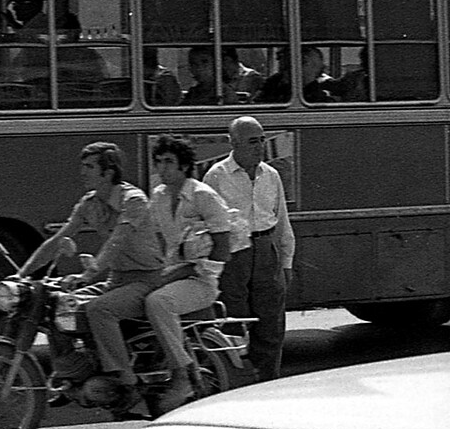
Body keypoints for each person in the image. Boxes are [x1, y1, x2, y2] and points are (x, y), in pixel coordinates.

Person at [15, 141, 164, 402]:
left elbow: (118, 241)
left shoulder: (134, 201)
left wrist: (88, 273)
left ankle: (126, 381)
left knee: (99, 309)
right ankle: (71, 370)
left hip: (146, 280)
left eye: (89, 167)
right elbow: (56, 240)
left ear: (108, 173)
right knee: (59, 302)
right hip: (115, 279)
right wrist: (22, 275)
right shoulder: (89, 203)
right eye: (83, 166)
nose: (82, 172)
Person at [137, 135, 233, 410]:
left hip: (200, 281)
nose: (162, 168)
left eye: (169, 162)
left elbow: (222, 248)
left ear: (184, 165)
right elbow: (155, 239)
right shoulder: (158, 196)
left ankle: (182, 374)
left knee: (158, 302)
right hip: (170, 274)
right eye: (158, 162)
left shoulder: (203, 195)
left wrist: (188, 269)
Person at [202, 116, 295, 381]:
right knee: (234, 320)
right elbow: (206, 223)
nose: (260, 146)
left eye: (262, 139)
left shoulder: (271, 175)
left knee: (271, 323)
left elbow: (282, 221)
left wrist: (286, 262)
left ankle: (267, 383)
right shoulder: (216, 176)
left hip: (266, 250)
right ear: (234, 143)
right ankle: (237, 383)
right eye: (253, 141)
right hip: (234, 254)